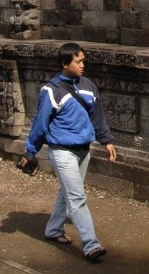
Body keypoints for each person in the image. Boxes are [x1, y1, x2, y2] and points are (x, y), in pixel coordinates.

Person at [23, 42, 117, 262]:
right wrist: (30, 152)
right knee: (77, 197)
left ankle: (53, 229)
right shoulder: (51, 90)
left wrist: (107, 141)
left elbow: (97, 116)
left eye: (83, 61)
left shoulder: (89, 86)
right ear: (65, 64)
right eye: (78, 61)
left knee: (68, 192)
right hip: (62, 151)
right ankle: (91, 245)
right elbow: (40, 124)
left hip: (83, 150)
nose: (82, 65)